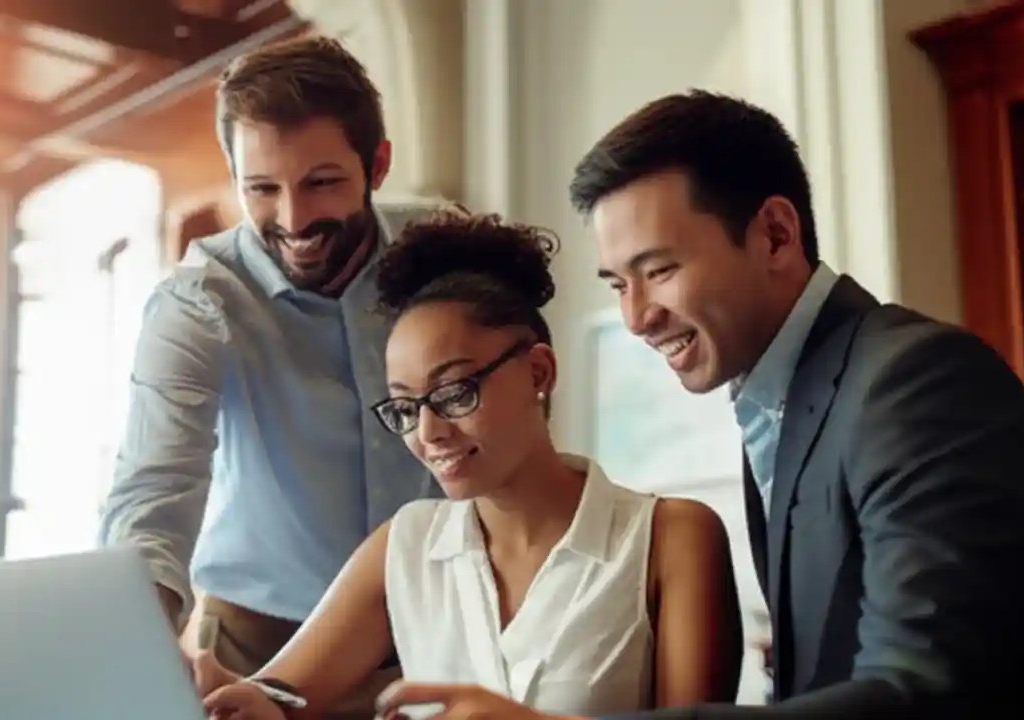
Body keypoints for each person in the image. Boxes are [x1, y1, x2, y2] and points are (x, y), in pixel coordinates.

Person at [495, 89, 1024, 719]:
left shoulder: (916, 384)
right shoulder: (776, 398)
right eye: (618, 284)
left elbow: (922, 692)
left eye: (658, 270)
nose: (636, 318)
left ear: (775, 234)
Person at [202, 212, 744, 720]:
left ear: (538, 372)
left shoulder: (668, 538)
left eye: (455, 392)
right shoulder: (408, 545)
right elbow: (276, 697)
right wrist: (226, 693)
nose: (429, 432)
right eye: (405, 408)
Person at [97, 35, 446, 718]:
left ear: (377, 163)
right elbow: (155, 488)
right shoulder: (196, 304)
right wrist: (141, 631)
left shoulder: (443, 254)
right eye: (261, 188)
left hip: (435, 632)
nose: (293, 221)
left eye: (321, 183)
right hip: (257, 642)